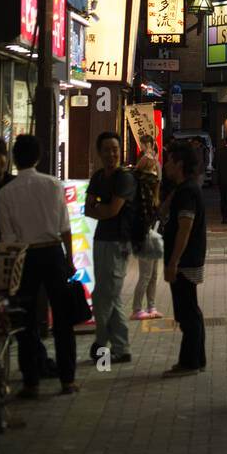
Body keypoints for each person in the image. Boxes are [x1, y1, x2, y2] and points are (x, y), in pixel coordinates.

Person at [0, 133, 79, 397]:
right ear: (39, 158)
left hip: (23, 258)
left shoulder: (5, 193)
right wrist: (69, 259)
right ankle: (68, 380)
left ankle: (31, 383)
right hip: (53, 253)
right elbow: (65, 228)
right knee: (63, 320)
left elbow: (7, 239)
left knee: (26, 321)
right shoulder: (54, 185)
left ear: (14, 159)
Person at [84, 131, 136, 364]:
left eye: (115, 149)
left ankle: (101, 343)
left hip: (119, 242)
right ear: (99, 152)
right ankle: (121, 348)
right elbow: (88, 209)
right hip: (101, 239)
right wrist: (102, 210)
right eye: (107, 149)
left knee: (105, 294)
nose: (112, 154)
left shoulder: (124, 178)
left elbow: (112, 210)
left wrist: (100, 209)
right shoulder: (97, 177)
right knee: (109, 295)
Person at [161, 141, 207, 377]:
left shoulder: (188, 191)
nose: (165, 164)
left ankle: (190, 362)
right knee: (190, 311)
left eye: (169, 160)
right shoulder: (184, 188)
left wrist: (173, 263)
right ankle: (196, 359)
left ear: (179, 164)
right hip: (188, 259)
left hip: (185, 261)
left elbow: (184, 228)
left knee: (187, 312)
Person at [130, 136, 163, 320]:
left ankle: (151, 306)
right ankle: (137, 308)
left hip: (153, 230)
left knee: (153, 273)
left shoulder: (150, 193)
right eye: (151, 169)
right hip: (145, 232)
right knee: (146, 273)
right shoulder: (143, 194)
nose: (155, 172)